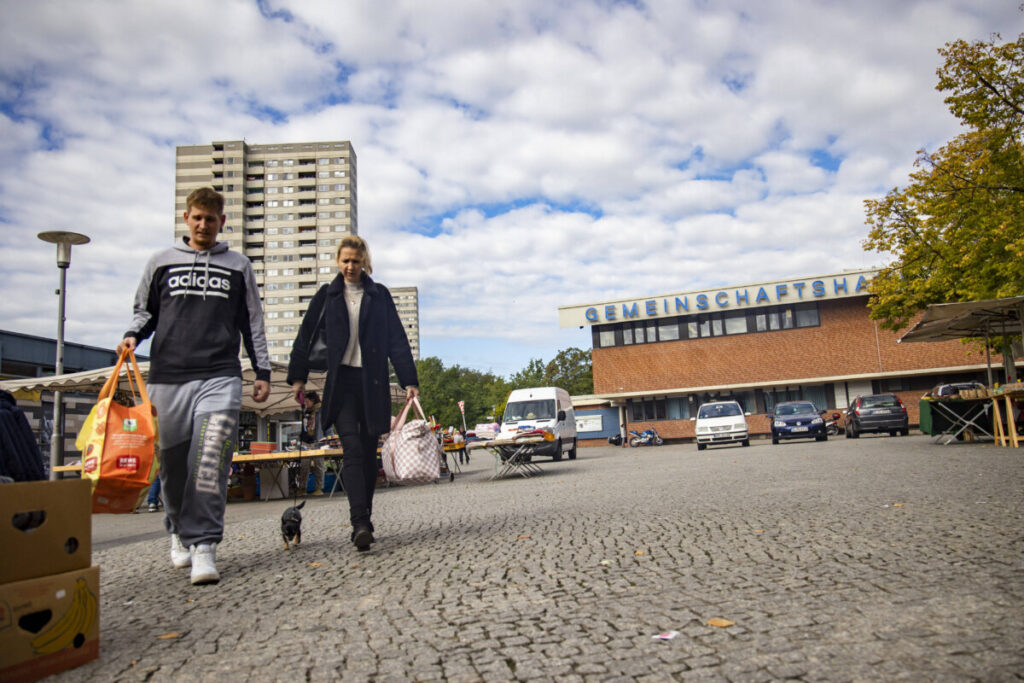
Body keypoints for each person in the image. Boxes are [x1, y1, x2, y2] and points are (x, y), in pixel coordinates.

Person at [118, 187, 270, 586]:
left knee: (210, 460)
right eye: (197, 217)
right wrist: (132, 336)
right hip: (168, 376)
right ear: (186, 218)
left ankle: (204, 545)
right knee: (172, 467)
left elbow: (252, 320)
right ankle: (177, 529)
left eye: (211, 219)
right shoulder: (160, 262)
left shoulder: (238, 266)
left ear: (222, 222)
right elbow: (145, 312)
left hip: (220, 375)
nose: (204, 225)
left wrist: (263, 371)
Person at [287, 235, 418, 552]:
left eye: (355, 261)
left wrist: (409, 380)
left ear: (365, 262)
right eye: (345, 261)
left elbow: (397, 339)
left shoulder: (379, 295)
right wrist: (298, 378)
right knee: (353, 451)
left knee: (369, 453)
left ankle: (365, 518)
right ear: (338, 261)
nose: (350, 266)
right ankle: (359, 523)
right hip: (342, 383)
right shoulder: (327, 295)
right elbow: (305, 336)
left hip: (372, 383)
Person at [296, 391, 325, 495]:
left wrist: (327, 439)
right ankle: (302, 488)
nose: (306, 403)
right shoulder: (305, 411)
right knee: (304, 466)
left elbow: (326, 426)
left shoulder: (321, 411)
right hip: (305, 441)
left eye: (307, 401)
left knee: (319, 465)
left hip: (317, 441)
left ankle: (319, 488)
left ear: (313, 401)